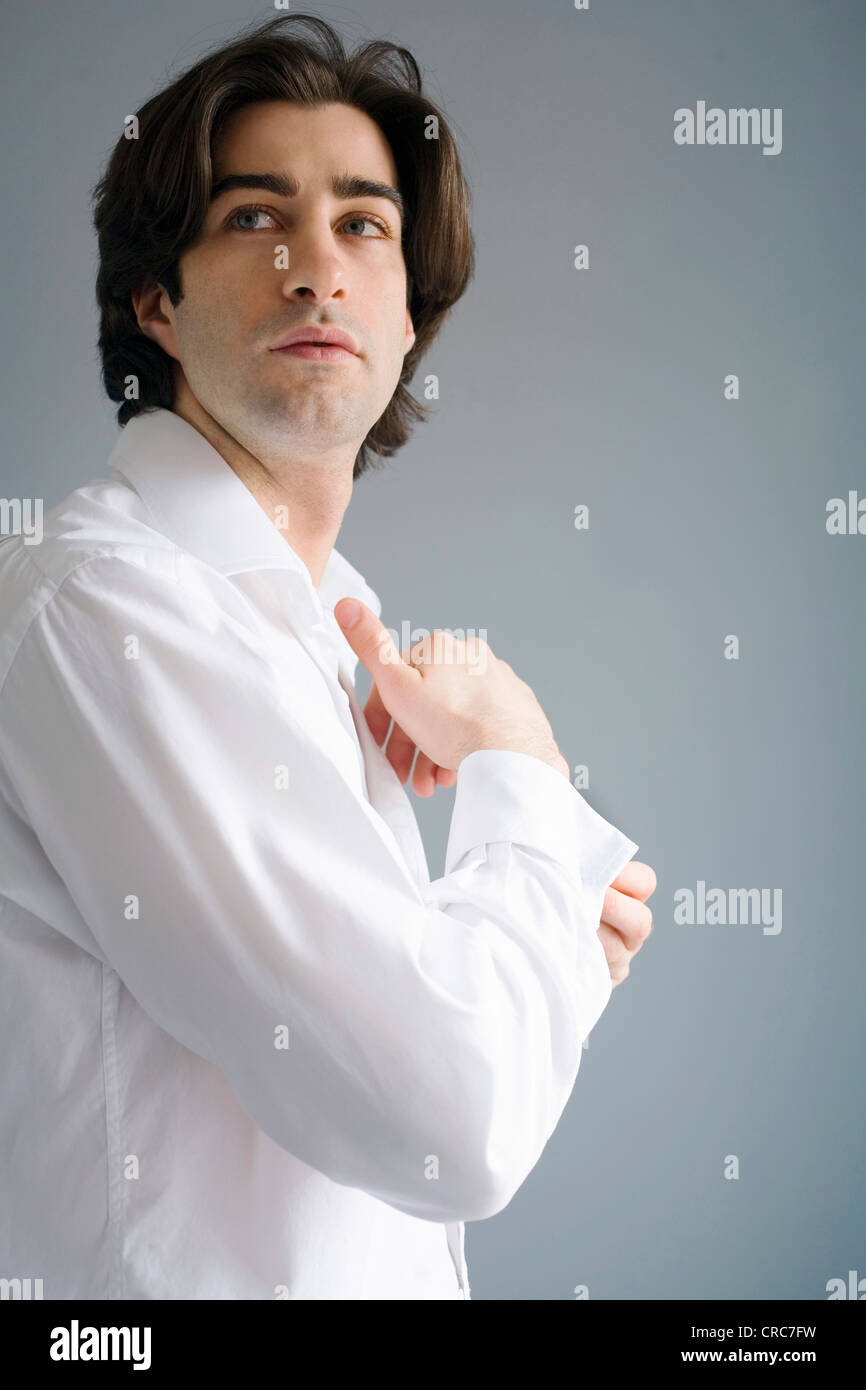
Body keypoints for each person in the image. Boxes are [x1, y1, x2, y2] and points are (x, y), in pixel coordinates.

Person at [0, 12, 655, 1300]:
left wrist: (541, 949)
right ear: (156, 304)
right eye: (254, 217)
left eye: (364, 223)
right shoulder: (110, 607)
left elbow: (402, 1081)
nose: (316, 266)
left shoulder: (316, 628)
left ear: (411, 315)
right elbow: (454, 1120)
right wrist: (522, 787)